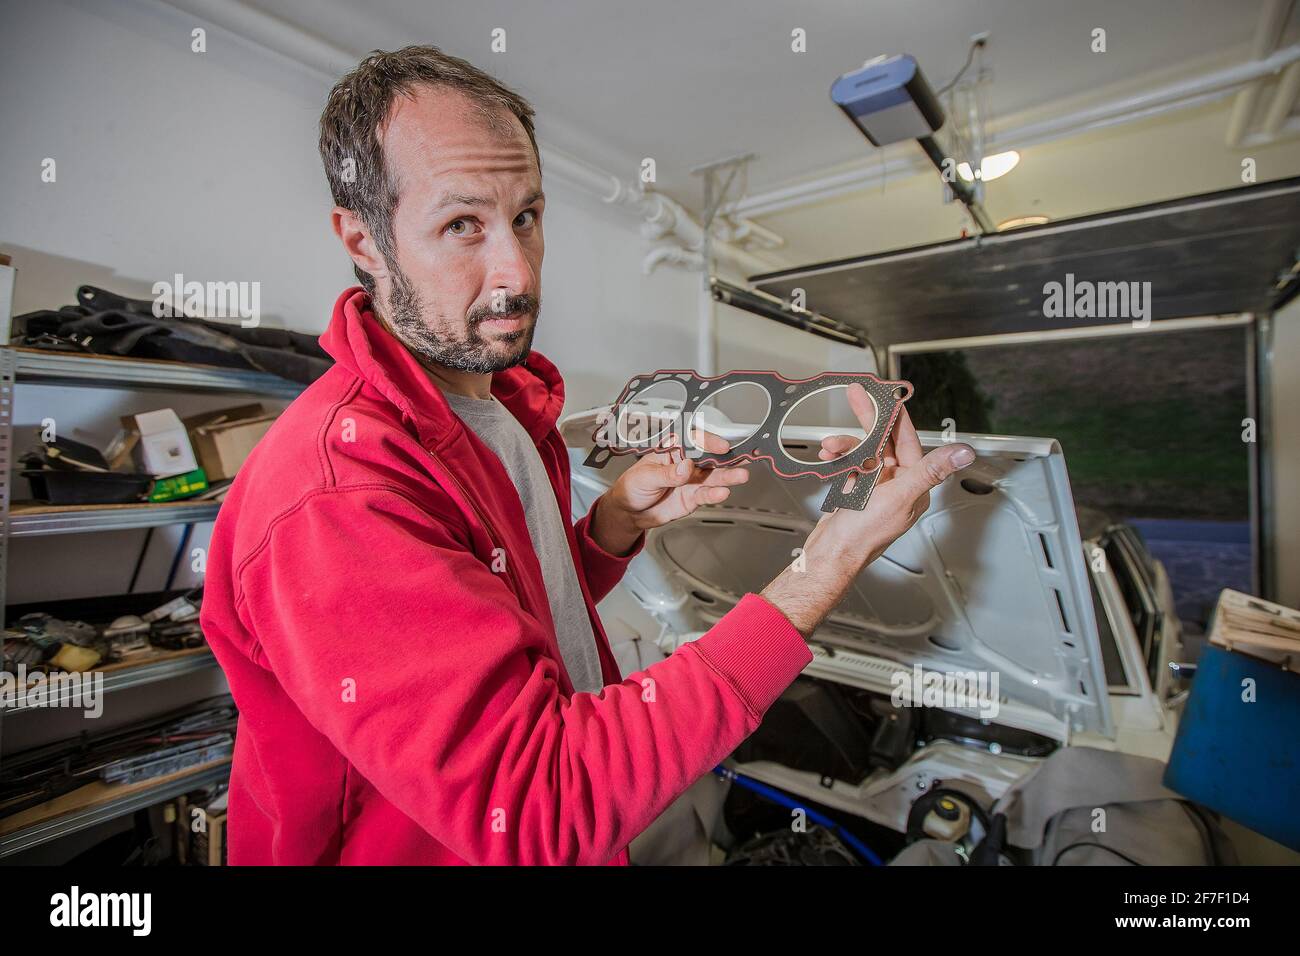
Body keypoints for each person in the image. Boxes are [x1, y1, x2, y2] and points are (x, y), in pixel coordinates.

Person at [199, 45, 976, 865]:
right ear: (362, 239)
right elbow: (544, 809)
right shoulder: (335, 497)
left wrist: (606, 529)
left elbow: (495, 604)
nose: (517, 272)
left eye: (526, 217)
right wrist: (830, 560)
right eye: (462, 224)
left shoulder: (493, 404)